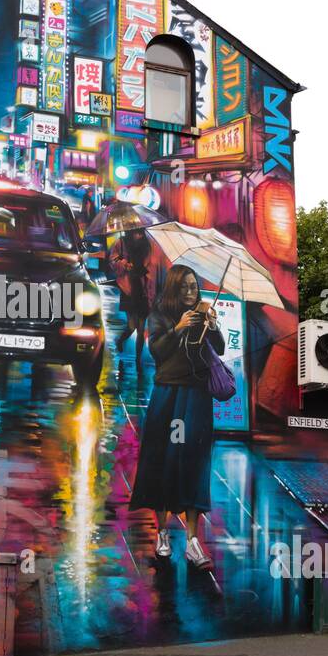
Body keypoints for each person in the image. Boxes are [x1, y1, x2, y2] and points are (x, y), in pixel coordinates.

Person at [128, 265, 225, 569]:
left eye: (193, 286)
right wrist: (180, 327)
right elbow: (156, 351)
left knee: (194, 462)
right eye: (183, 287)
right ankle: (163, 533)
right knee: (163, 461)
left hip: (196, 397)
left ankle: (194, 542)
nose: (189, 292)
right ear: (173, 288)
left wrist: (213, 325)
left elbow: (219, 349)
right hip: (167, 395)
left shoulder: (202, 311)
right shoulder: (161, 313)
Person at [110, 227, 152, 367]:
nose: (138, 235)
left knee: (141, 328)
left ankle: (138, 359)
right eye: (136, 232)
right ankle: (120, 341)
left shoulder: (146, 245)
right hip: (128, 288)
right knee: (132, 325)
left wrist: (144, 269)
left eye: (140, 232)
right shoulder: (121, 243)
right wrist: (125, 264)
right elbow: (113, 261)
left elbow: (149, 264)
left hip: (142, 288)